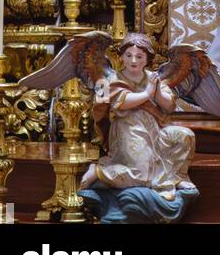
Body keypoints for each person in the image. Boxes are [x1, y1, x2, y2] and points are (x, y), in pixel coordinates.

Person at [81, 33, 196, 198]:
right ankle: (99, 171)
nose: (133, 60)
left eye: (139, 56)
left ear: (147, 58)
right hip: (128, 129)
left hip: (155, 129)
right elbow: (121, 102)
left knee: (185, 136)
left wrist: (157, 93)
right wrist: (148, 92)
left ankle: (176, 178)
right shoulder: (110, 80)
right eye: (128, 55)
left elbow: (169, 106)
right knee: (141, 174)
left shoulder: (153, 77)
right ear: (121, 56)